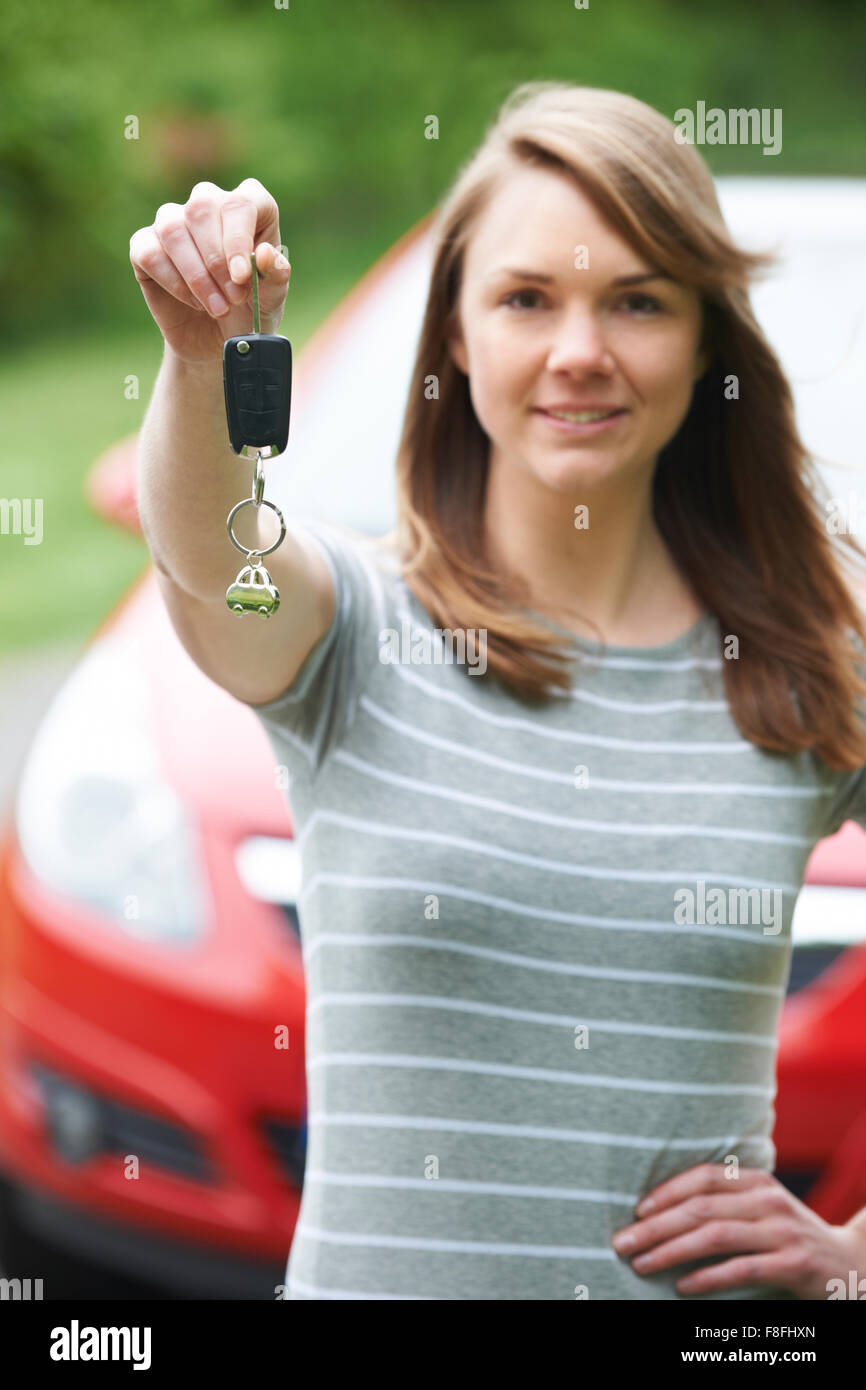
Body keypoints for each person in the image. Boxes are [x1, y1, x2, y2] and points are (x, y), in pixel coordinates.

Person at [131, 80, 866, 1301]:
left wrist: (849, 1258)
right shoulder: (352, 630)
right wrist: (209, 360)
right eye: (527, 298)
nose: (579, 350)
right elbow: (215, 563)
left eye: (635, 300)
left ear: (702, 336)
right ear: (459, 335)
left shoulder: (800, 663)